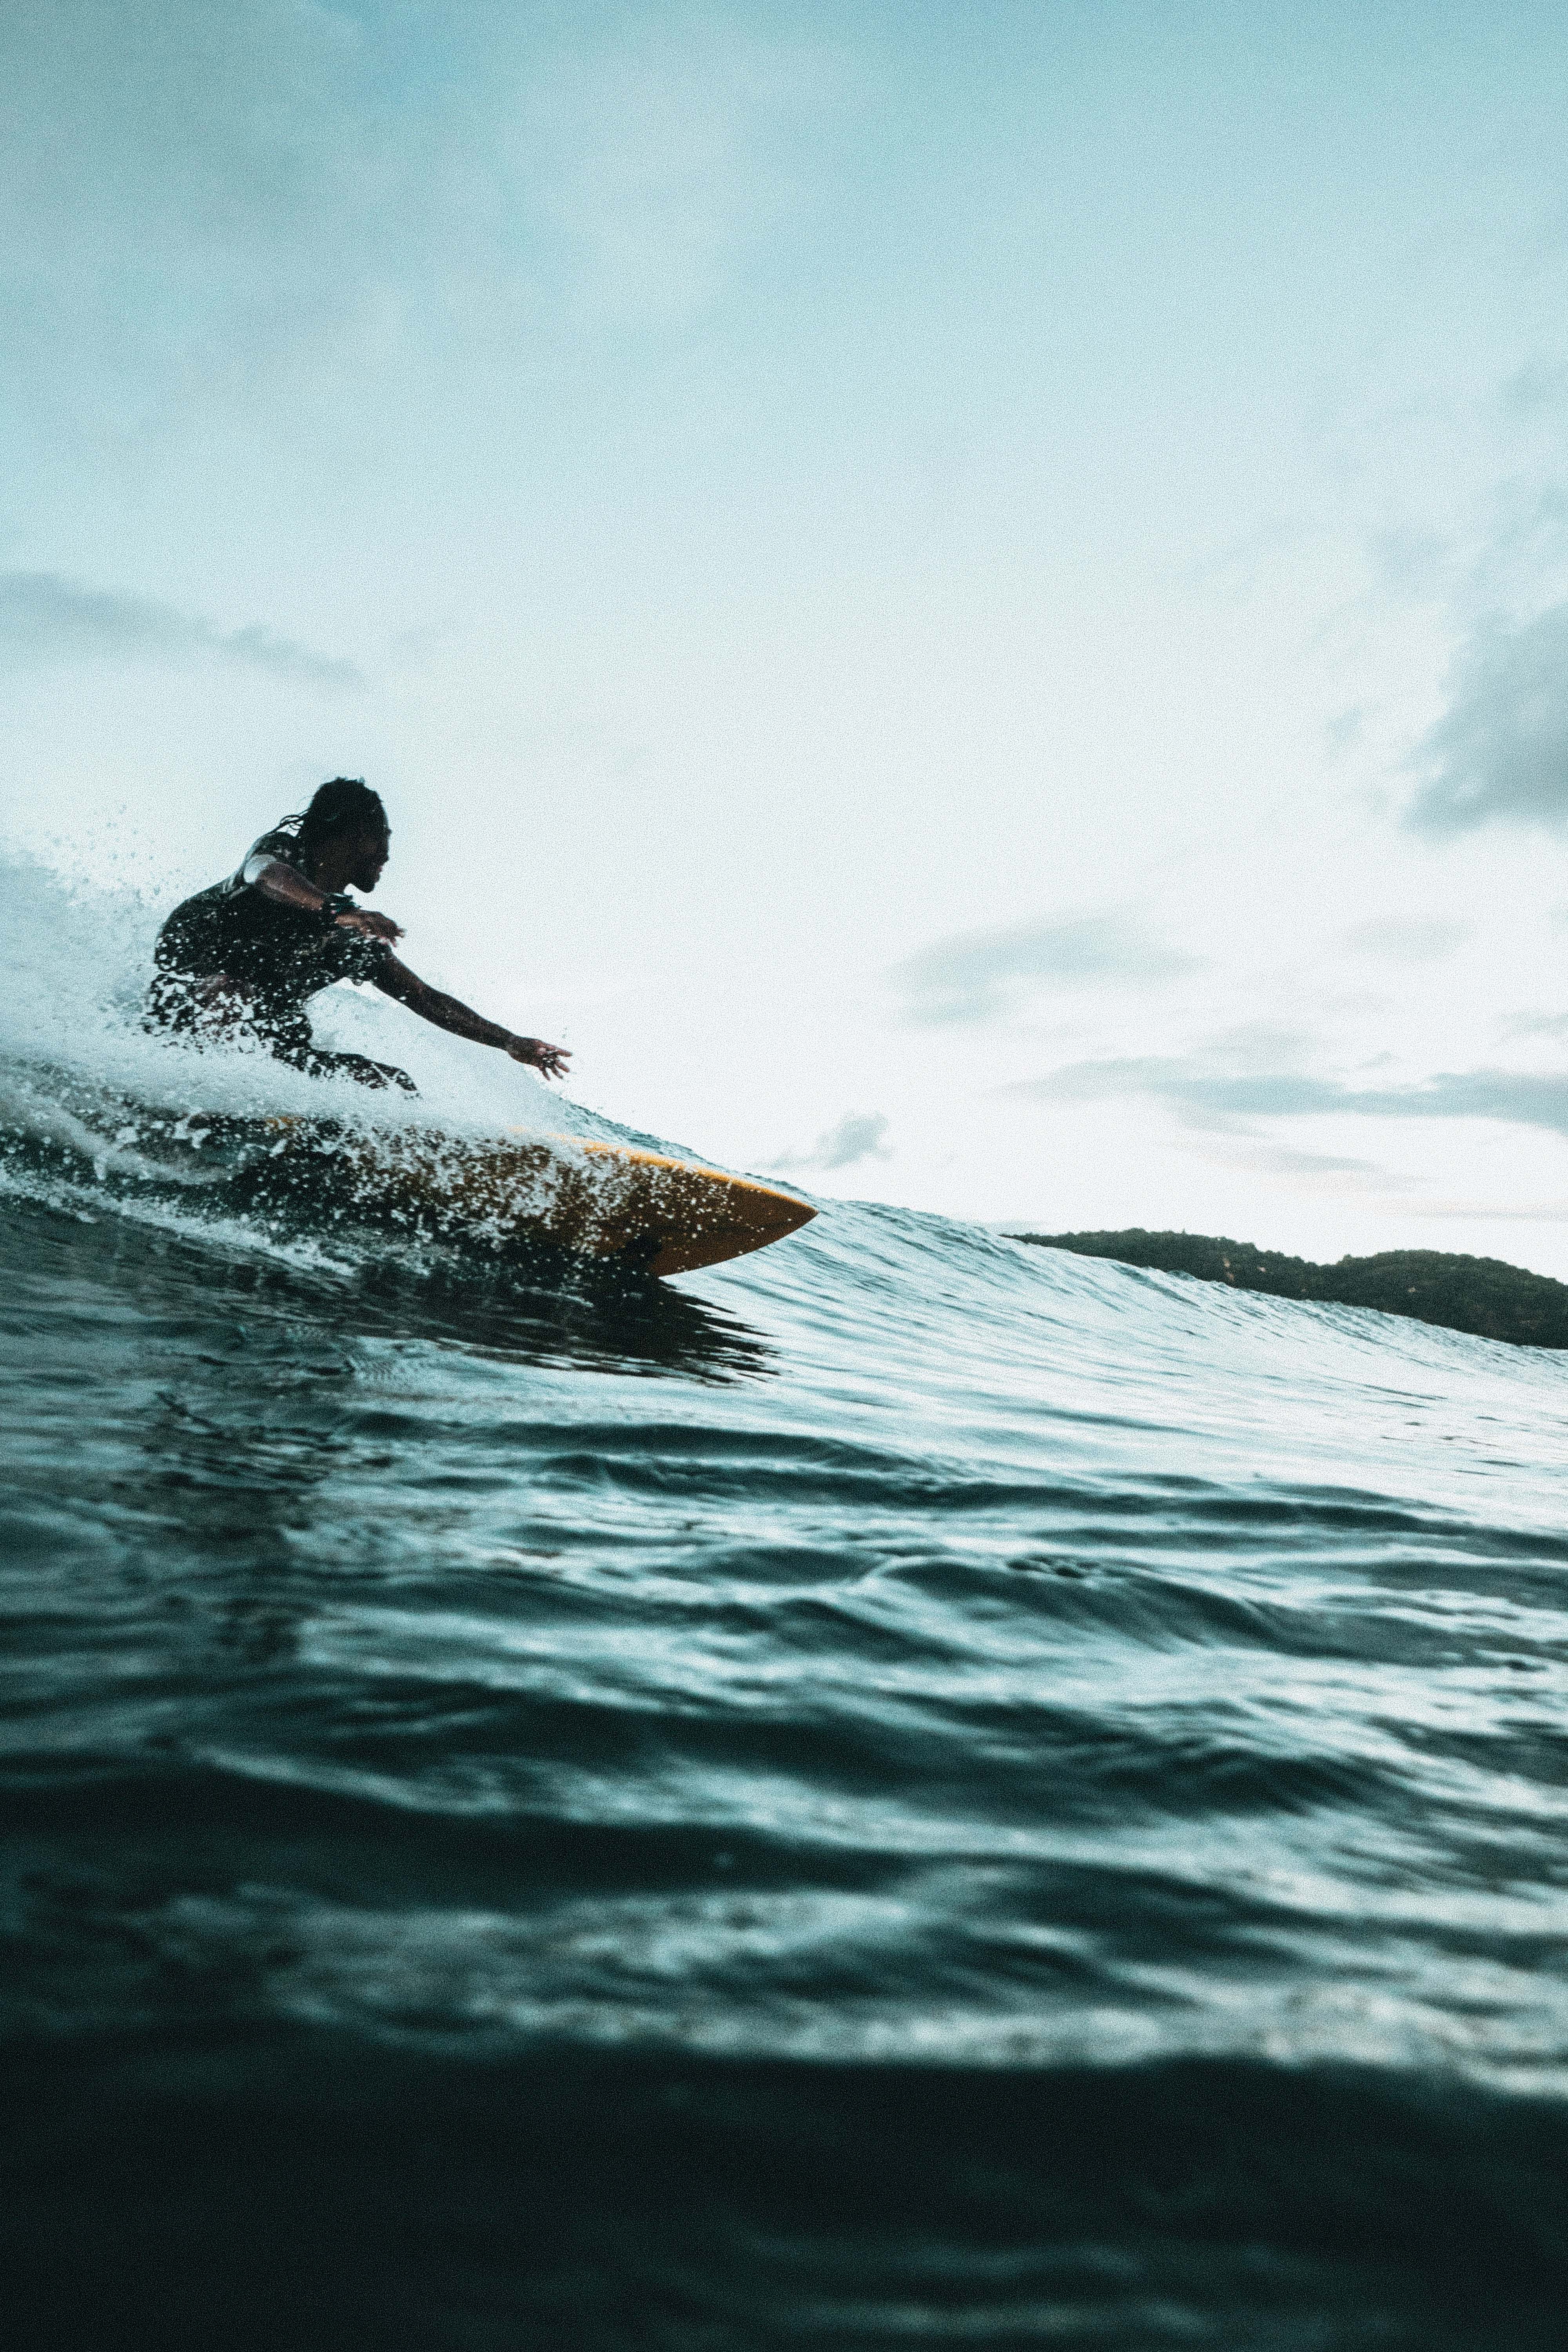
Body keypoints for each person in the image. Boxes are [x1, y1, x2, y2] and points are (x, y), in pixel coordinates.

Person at [146, 778, 570, 1093]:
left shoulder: (346, 940)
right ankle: (196, 1095)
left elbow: (423, 997)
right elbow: (267, 876)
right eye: (382, 837)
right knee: (229, 990)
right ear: (353, 837)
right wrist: (336, 909)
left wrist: (511, 1042)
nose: (386, 854)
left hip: (262, 1048)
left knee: (390, 1083)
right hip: (184, 1014)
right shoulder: (281, 857)